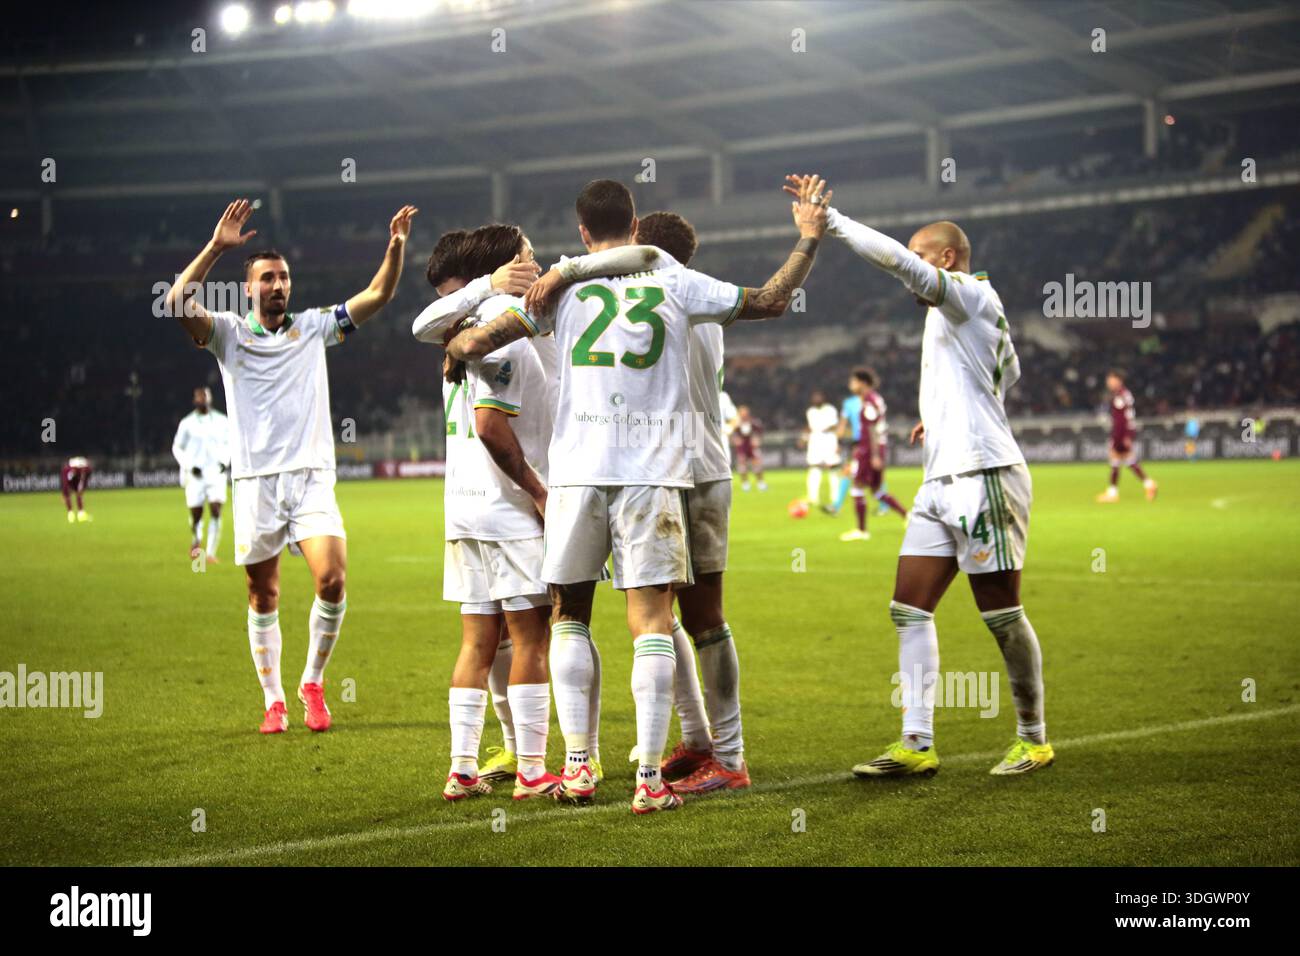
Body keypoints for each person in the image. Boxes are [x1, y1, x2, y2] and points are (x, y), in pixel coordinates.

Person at [447, 175, 830, 813]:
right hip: (655, 473)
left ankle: (576, 769)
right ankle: (650, 781)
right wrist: (808, 242)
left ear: (580, 231)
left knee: (569, 616)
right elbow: (769, 300)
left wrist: (459, 348)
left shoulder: (558, 288)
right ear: (634, 222)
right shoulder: (675, 280)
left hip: (575, 472)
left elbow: (476, 340)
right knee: (653, 621)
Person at [809, 178, 1053, 777]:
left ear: (945, 258)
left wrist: (831, 220)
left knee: (999, 611)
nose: (915, 268)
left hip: (983, 474)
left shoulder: (968, 293)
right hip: (942, 475)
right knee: (909, 609)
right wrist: (941, 417)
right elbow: (1008, 373)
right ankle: (916, 743)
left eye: (924, 257)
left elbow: (899, 263)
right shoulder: (964, 315)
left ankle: (1033, 738)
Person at [165, 198, 417, 734]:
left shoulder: (314, 328)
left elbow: (378, 295)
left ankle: (312, 682)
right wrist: (215, 248)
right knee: (264, 593)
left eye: (284, 277)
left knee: (332, 578)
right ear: (249, 288)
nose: (279, 285)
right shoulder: (229, 334)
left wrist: (394, 248)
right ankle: (274, 697)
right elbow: (176, 302)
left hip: (311, 478)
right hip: (256, 483)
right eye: (268, 278)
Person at [413, 224, 567, 802]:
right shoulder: (502, 332)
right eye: (528, 254)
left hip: (462, 513)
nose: (536, 260)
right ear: (509, 264)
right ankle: (531, 769)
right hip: (507, 511)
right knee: (531, 641)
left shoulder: (457, 335)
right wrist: (538, 491)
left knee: (477, 643)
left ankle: (461, 769)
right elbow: (490, 427)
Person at [839, 368, 908, 541]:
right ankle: (908, 516)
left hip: (870, 449)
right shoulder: (874, 399)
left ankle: (861, 530)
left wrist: (874, 454)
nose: (851, 385)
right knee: (876, 490)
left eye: (853, 381)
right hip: (874, 447)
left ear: (862, 383)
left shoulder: (869, 400)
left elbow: (871, 428)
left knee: (857, 486)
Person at [172, 387, 230, 563]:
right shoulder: (187, 423)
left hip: (215, 474)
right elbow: (177, 447)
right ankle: (196, 541)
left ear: (210, 398)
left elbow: (231, 443)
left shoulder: (222, 421)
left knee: (215, 510)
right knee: (196, 514)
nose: (202, 399)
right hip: (196, 476)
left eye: (204, 395)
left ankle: (210, 553)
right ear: (194, 400)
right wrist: (188, 466)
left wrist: (225, 461)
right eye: (198, 396)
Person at [1097, 371, 1158, 502]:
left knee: (1115, 461)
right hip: (1124, 434)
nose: (1109, 383)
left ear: (1118, 380)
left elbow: (1122, 420)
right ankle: (1148, 484)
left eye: (1111, 380)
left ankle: (1113, 493)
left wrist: (1124, 436)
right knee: (1127, 461)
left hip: (1120, 434)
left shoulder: (1120, 396)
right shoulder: (1125, 394)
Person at [803, 390, 841, 508]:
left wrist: (837, 443)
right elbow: (810, 427)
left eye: (818, 397)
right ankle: (813, 497)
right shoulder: (810, 411)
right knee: (814, 468)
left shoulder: (830, 409)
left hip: (829, 439)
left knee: (833, 469)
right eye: (814, 397)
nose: (816, 399)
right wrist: (804, 438)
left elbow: (836, 425)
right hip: (815, 441)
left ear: (823, 398)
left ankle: (835, 498)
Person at [732, 406, 766, 491]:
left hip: (752, 447)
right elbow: (732, 435)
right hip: (742, 448)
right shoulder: (737, 424)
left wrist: (757, 440)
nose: (744, 415)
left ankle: (760, 482)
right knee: (742, 466)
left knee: (757, 465)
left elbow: (760, 433)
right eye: (742, 414)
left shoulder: (754, 422)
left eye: (745, 413)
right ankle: (745, 483)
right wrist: (735, 440)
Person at [61, 457, 92, 523]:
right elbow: (66, 483)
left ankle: (80, 514)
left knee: (79, 495)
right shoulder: (67, 471)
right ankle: (71, 514)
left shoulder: (85, 471)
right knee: (68, 495)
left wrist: (81, 488)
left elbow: (84, 480)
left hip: (77, 481)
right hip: (71, 482)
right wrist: (64, 493)